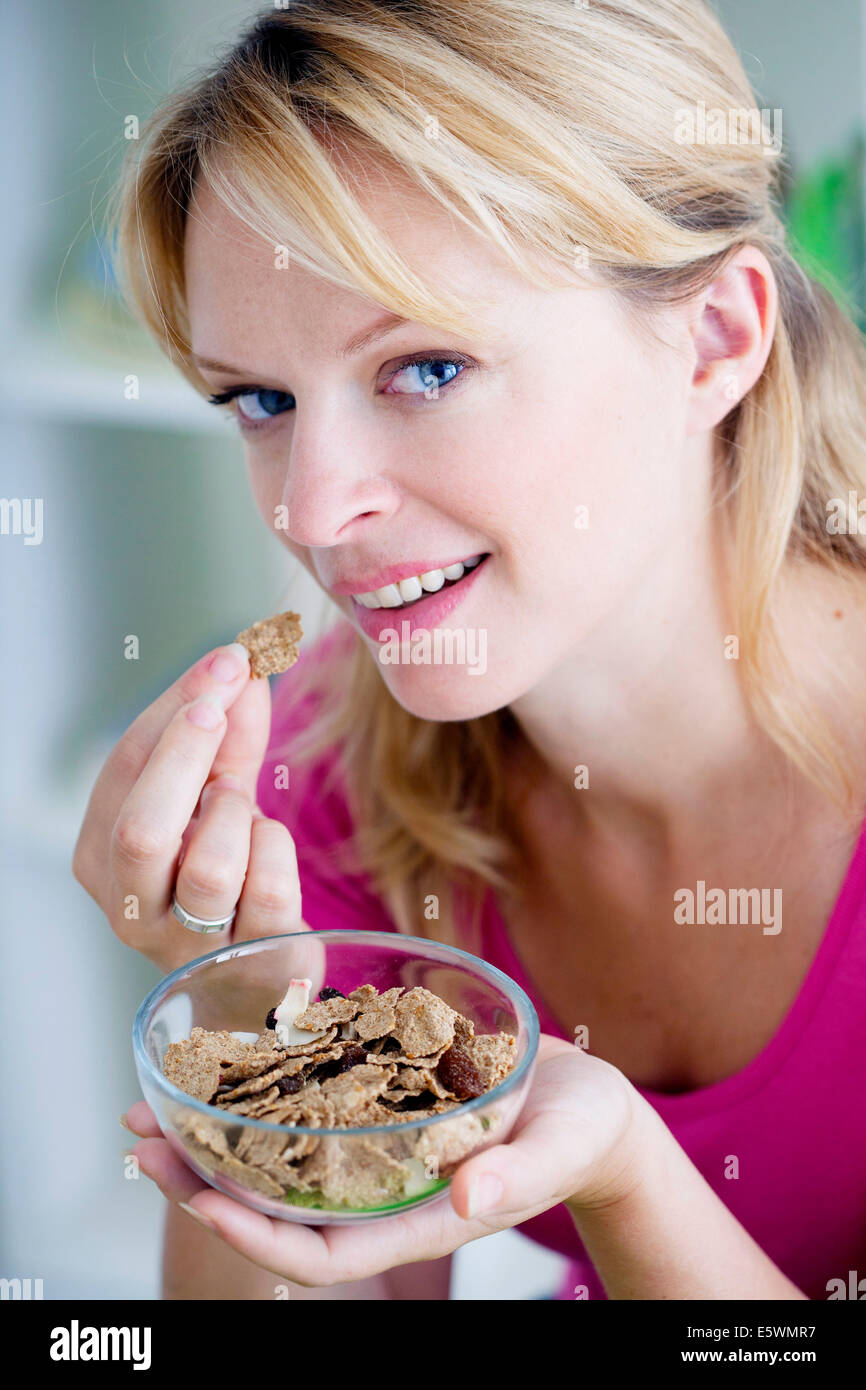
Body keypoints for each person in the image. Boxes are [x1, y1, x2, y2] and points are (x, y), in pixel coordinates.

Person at [74, 0, 866, 1299]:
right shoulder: (325, 774)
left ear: (713, 338)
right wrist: (238, 1032)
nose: (312, 514)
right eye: (261, 401)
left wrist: (626, 1172)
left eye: (425, 367)